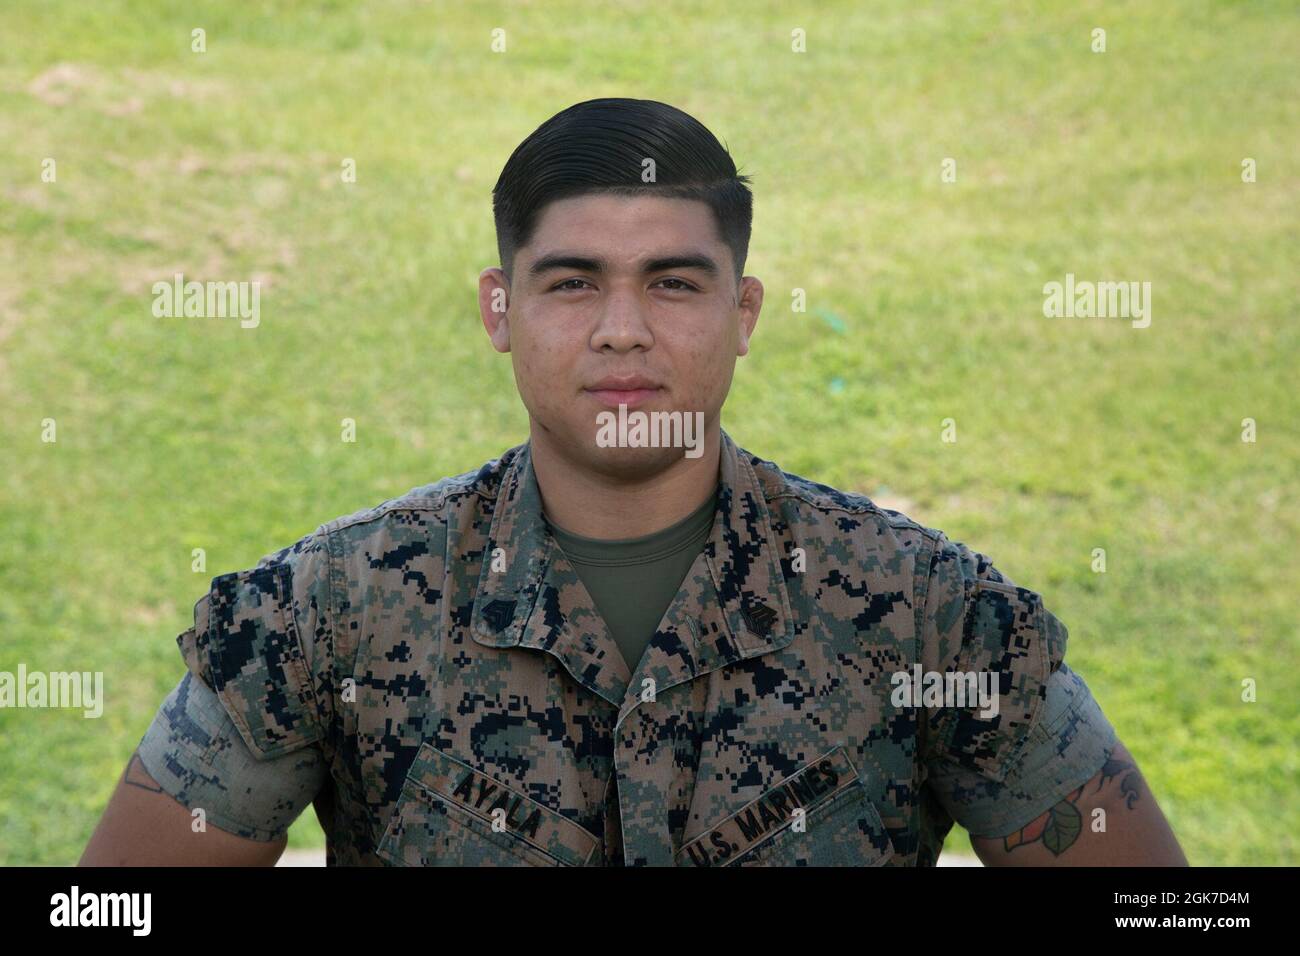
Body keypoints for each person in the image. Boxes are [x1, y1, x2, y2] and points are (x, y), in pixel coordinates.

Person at [80, 98, 1186, 867]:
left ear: (740, 314)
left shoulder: (927, 613)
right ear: (497, 310)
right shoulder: (332, 607)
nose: (622, 331)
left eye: (672, 281)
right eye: (571, 282)